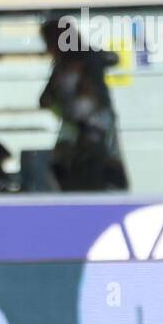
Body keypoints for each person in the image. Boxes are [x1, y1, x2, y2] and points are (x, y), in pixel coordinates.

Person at [38, 13, 129, 191]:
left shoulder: (86, 58)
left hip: (93, 129)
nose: (48, 48)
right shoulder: (62, 66)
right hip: (76, 131)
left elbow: (112, 58)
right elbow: (45, 100)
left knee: (97, 172)